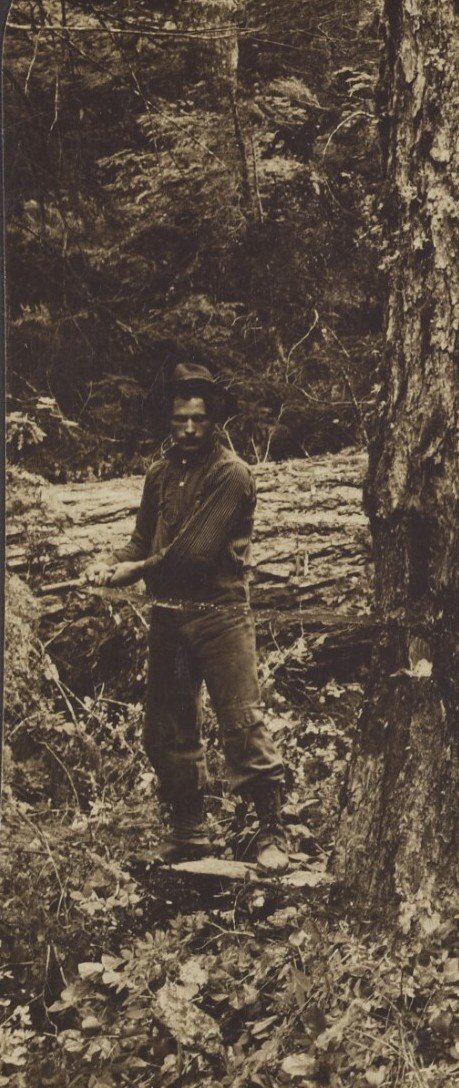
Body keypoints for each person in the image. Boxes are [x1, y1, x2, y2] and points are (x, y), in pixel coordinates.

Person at [84, 363, 289, 873]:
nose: (190, 429)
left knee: (242, 724)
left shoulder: (232, 474)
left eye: (198, 419)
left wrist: (133, 571)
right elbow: (142, 539)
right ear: (169, 421)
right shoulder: (159, 474)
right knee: (167, 728)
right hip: (170, 619)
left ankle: (268, 831)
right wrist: (112, 560)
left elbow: (193, 554)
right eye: (180, 421)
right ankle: (189, 832)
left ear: (213, 418)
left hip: (221, 616)